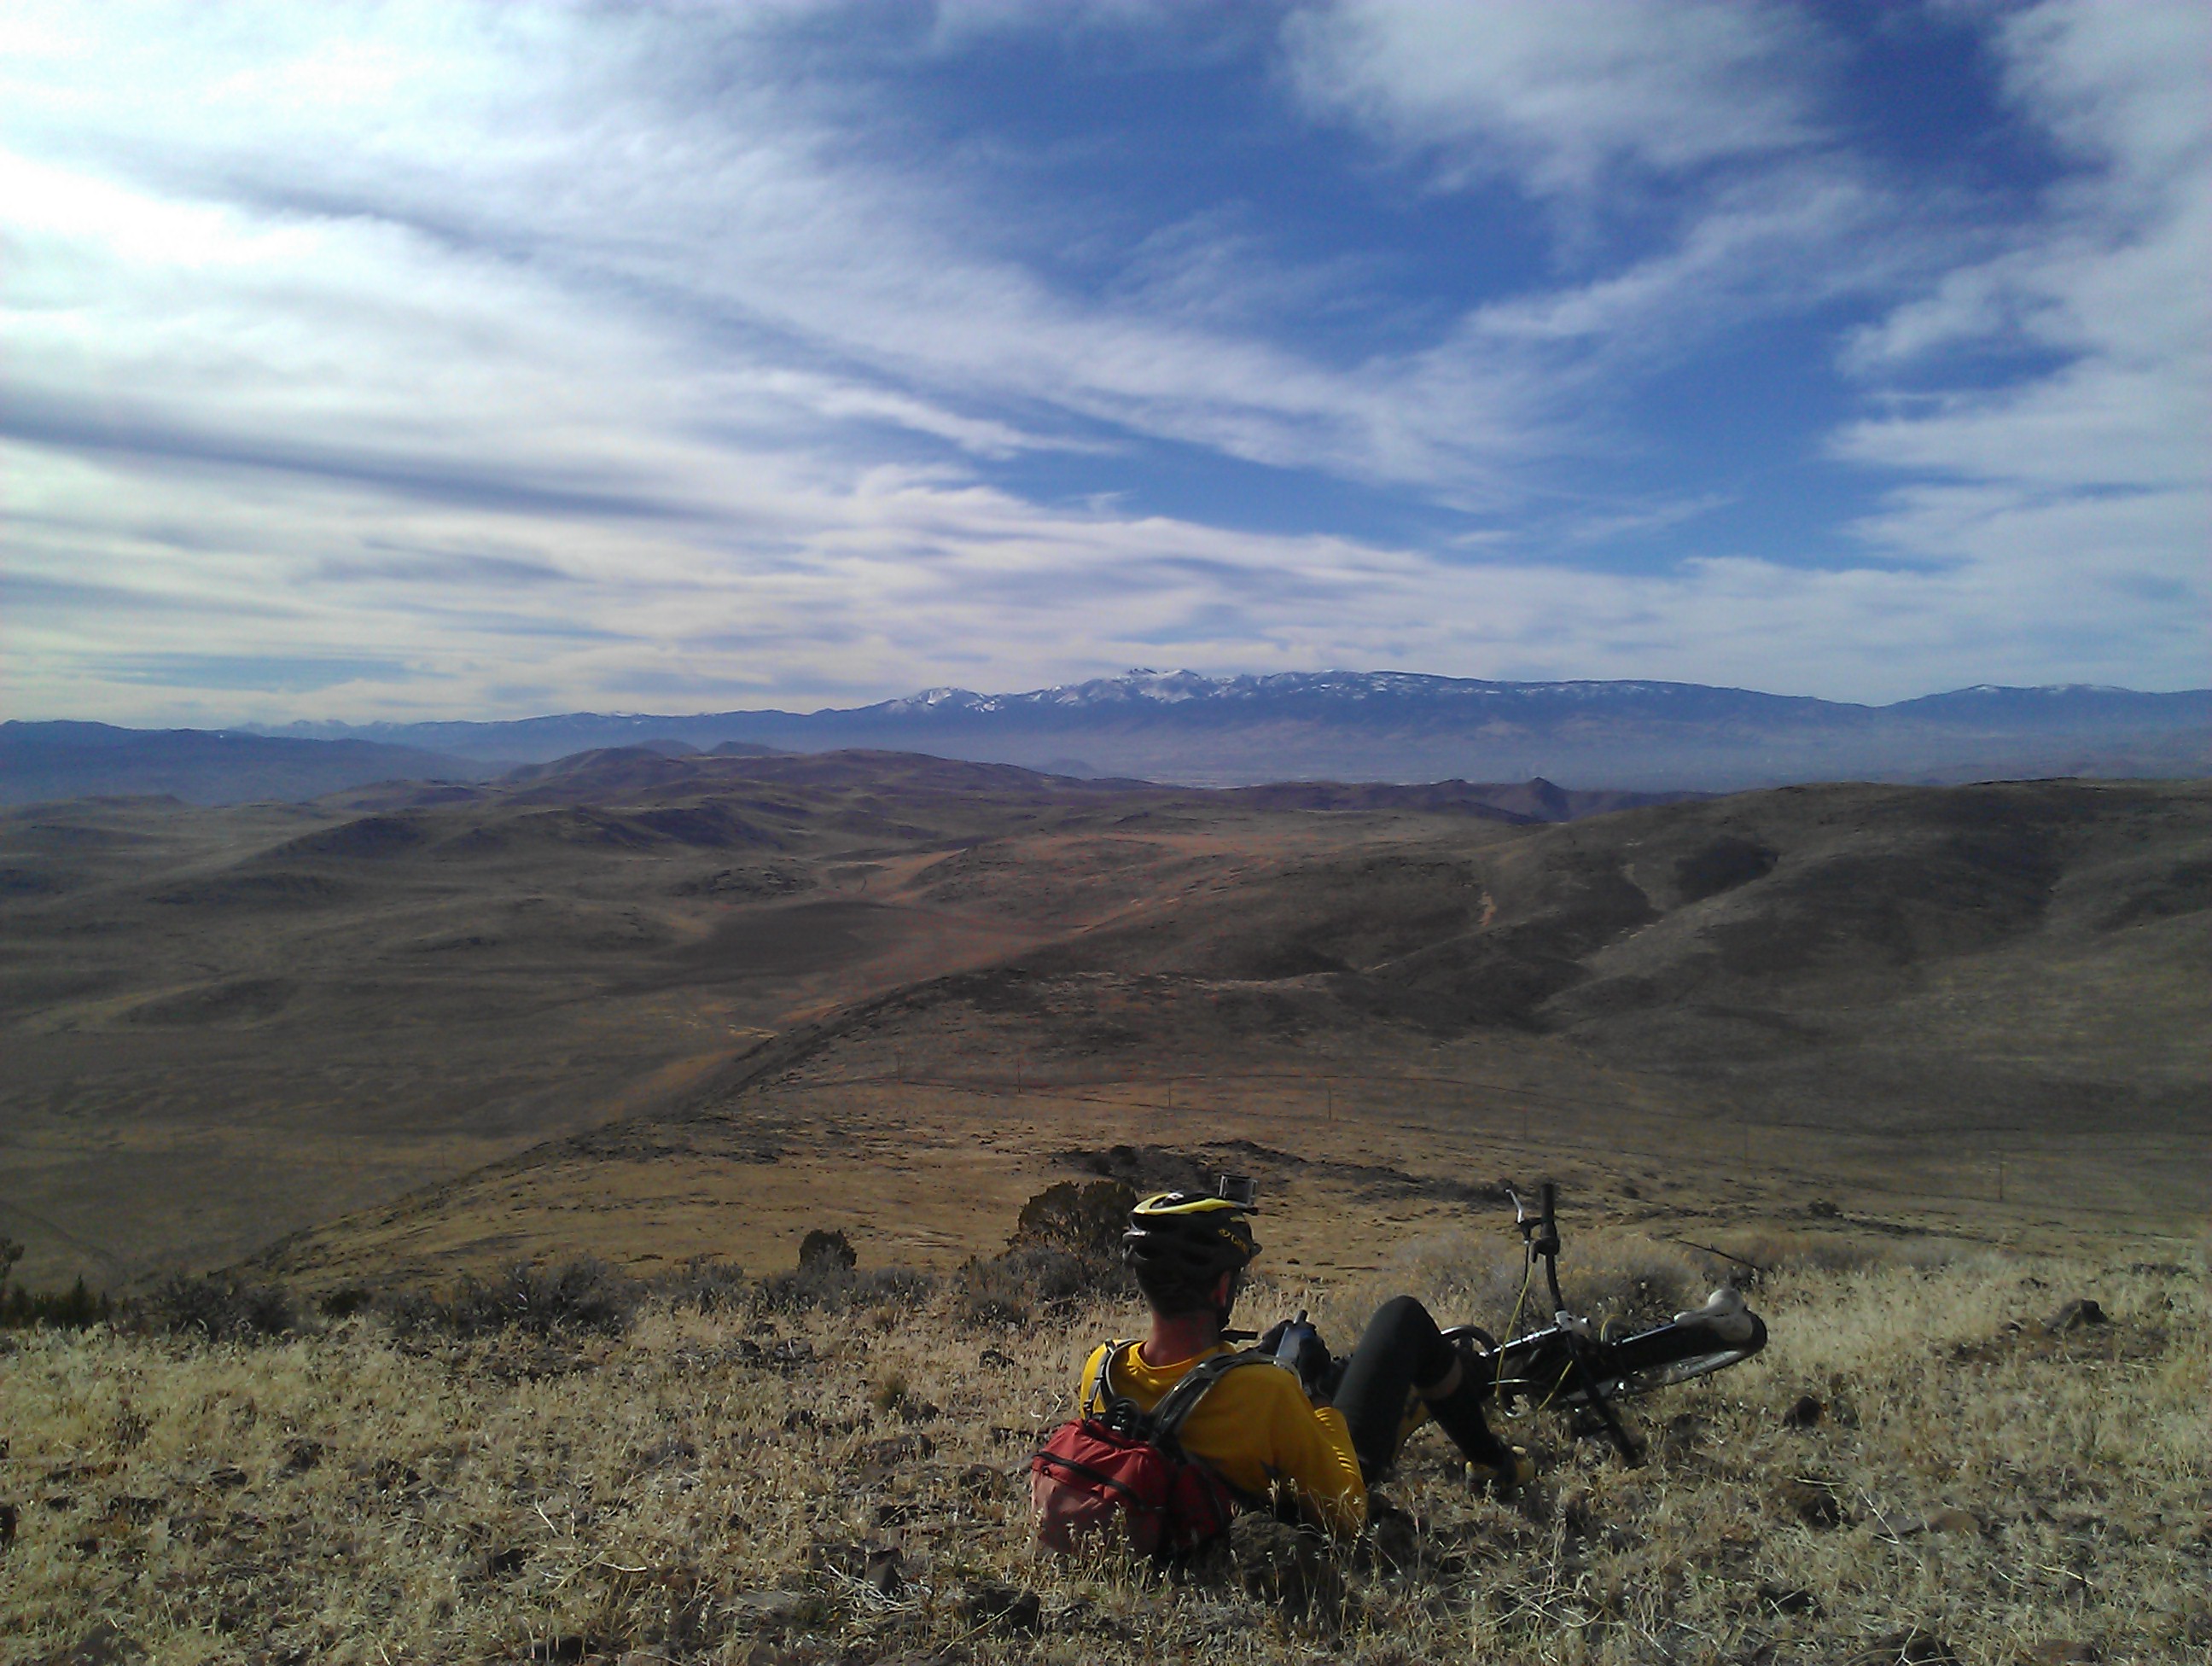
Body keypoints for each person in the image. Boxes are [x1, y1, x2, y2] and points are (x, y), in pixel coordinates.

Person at [1075, 1187, 1532, 1541]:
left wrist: (1258, 1361)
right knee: (1403, 1318)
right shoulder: (1267, 1391)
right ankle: (1492, 1461)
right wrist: (1314, 1393)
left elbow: (1187, 1405)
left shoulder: (1103, 1367)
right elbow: (1346, 1514)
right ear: (1221, 1289)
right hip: (1324, 1470)